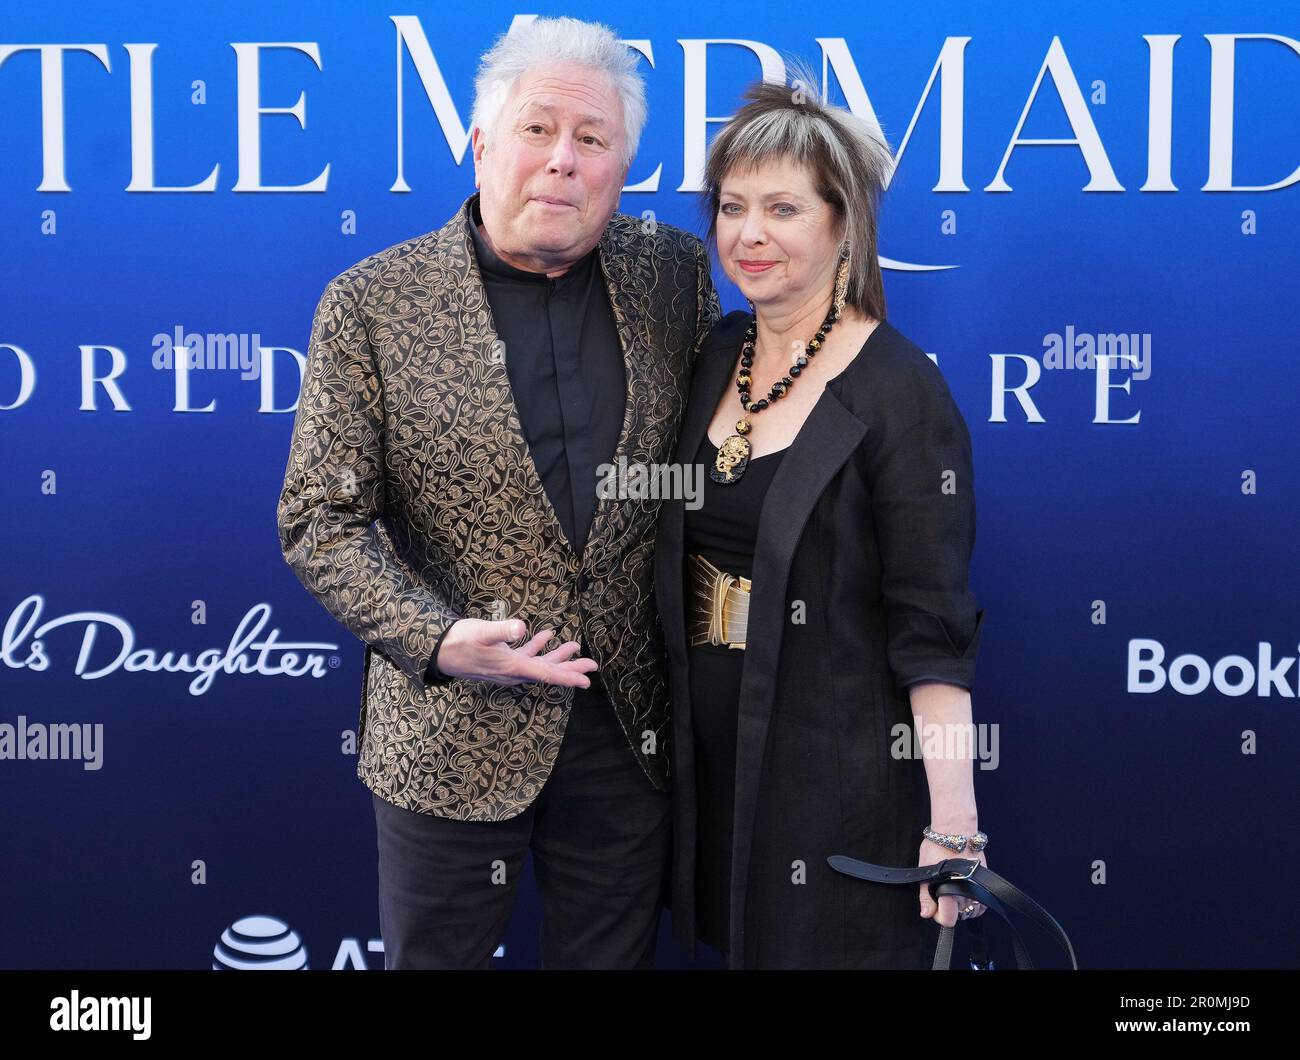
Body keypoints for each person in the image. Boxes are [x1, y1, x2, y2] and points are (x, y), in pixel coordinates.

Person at [277, 16, 720, 969]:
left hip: (625, 727)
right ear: (481, 144)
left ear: (623, 168)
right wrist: (437, 641)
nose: (562, 160)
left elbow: (707, 475)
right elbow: (321, 520)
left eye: (591, 140)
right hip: (446, 735)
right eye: (536, 129)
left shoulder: (676, 276)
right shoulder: (372, 303)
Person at [653, 64, 989, 969]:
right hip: (712, 777)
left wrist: (953, 826)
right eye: (730, 208)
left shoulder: (901, 393)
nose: (748, 234)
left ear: (845, 225)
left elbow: (933, 633)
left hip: (832, 794)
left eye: (783, 209)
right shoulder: (717, 352)